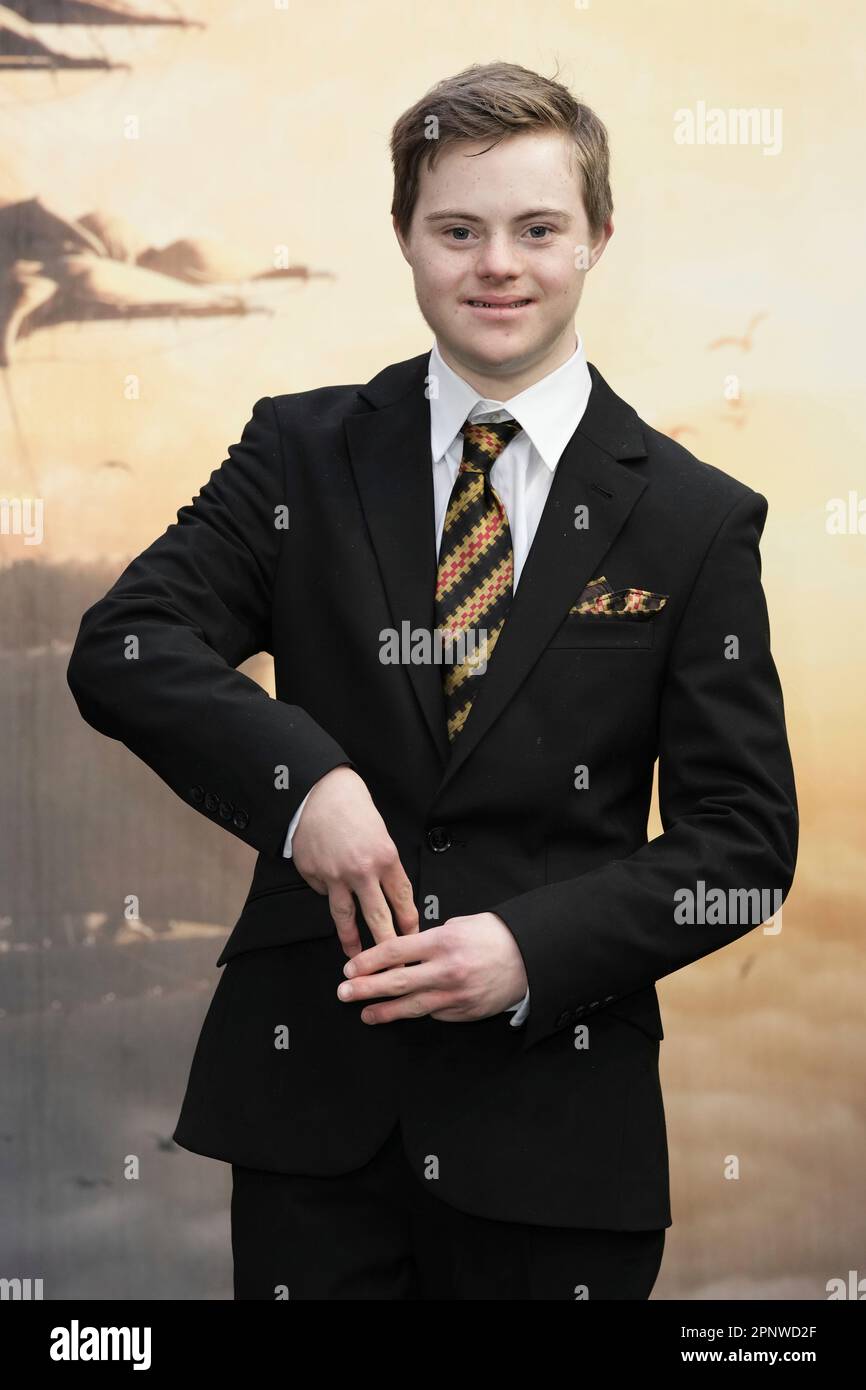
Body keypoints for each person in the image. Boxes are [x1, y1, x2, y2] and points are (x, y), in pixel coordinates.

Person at [66, 60, 798, 1300]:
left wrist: (526, 949)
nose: (494, 264)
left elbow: (741, 850)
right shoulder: (298, 451)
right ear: (404, 236)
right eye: (456, 229)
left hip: (561, 1140)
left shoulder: (693, 520)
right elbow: (127, 644)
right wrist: (307, 788)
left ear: (596, 238)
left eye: (535, 228)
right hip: (314, 1126)